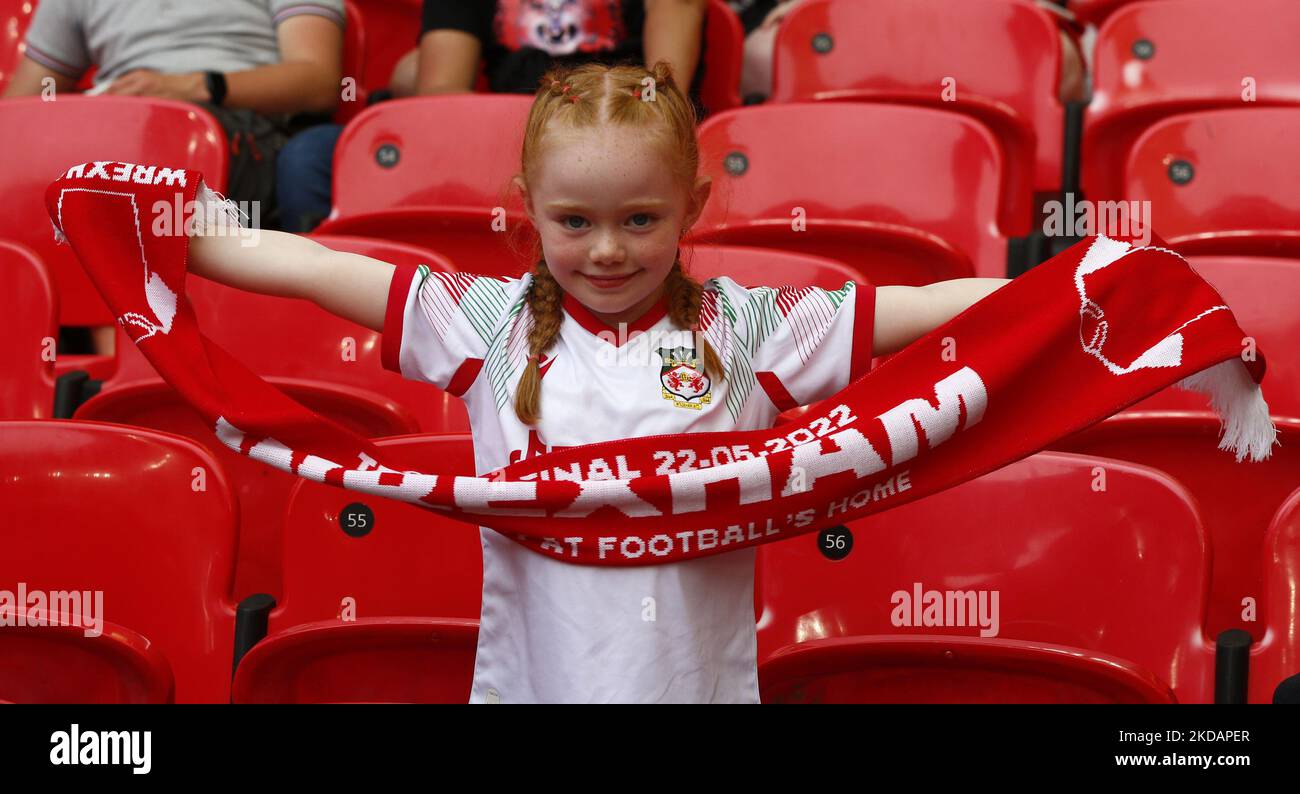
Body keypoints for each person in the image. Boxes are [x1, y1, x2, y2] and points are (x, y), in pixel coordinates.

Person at [187, 61, 1009, 702]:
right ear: (529, 209)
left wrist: (1086, 280)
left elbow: (925, 306)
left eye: (640, 220)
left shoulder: (752, 326)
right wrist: (169, 230)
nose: (607, 250)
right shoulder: (486, 323)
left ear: (692, 207)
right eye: (575, 221)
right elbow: (315, 269)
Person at [4, 0, 345, 352]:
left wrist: (198, 86)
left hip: (234, 120)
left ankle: (121, 365)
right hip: (115, 126)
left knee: (138, 166)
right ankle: (106, 366)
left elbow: (318, 81)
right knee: (28, 163)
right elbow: (16, 114)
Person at [279, 0, 707, 233]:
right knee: (312, 156)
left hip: (624, 137)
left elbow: (661, 94)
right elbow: (441, 97)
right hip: (505, 140)